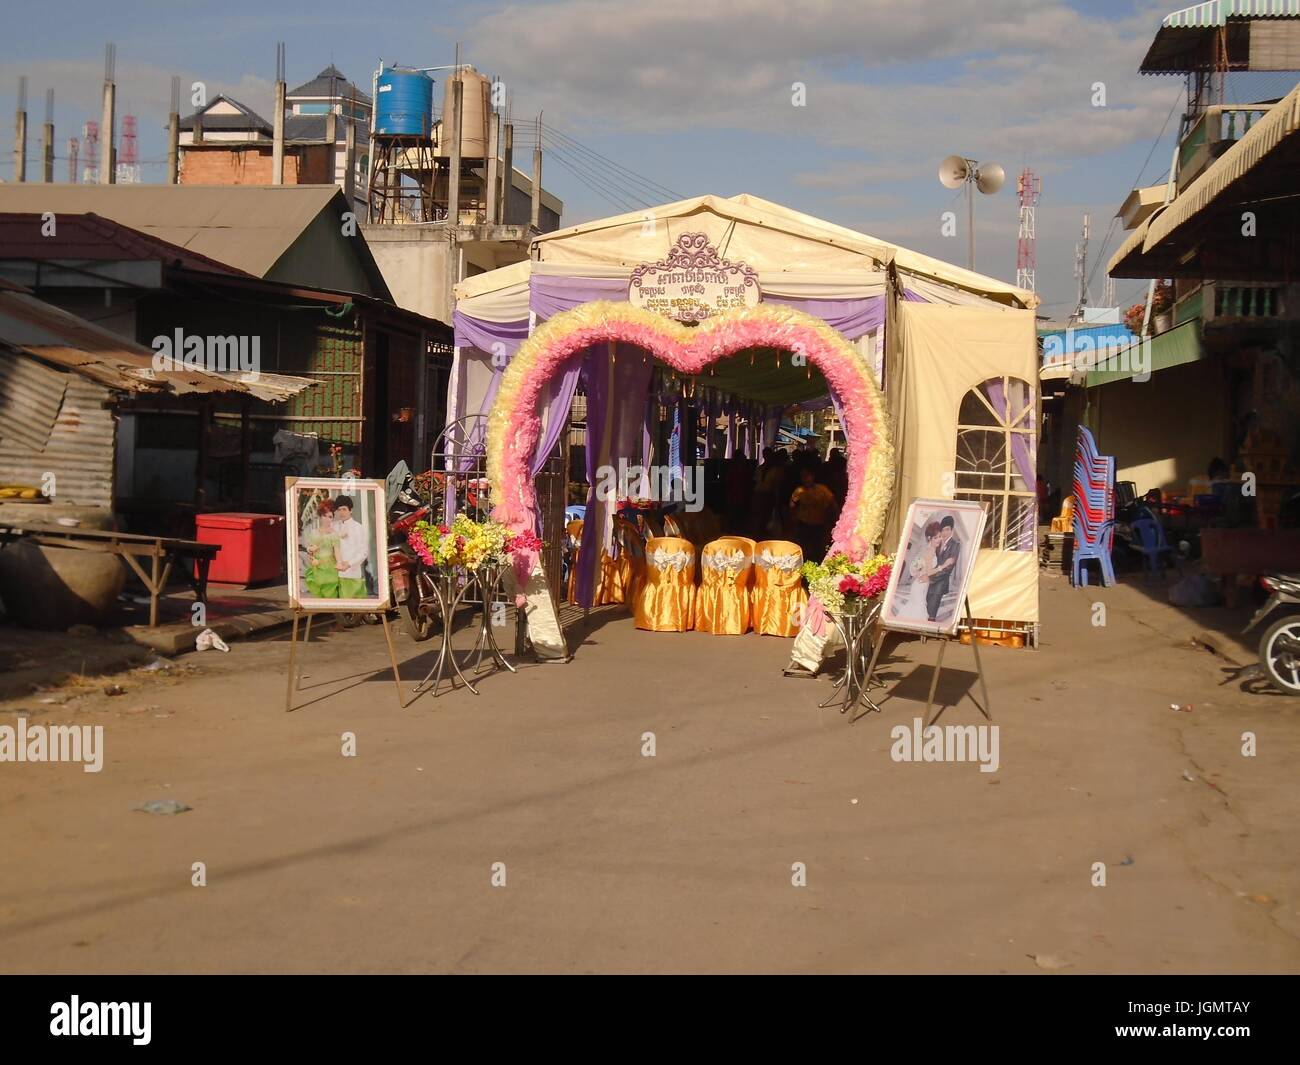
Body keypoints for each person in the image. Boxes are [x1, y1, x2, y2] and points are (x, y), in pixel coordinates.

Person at [789, 465, 836, 562]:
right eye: (803, 476)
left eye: (807, 476)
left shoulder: (822, 489)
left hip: (819, 524)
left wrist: (833, 520)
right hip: (803, 524)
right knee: (803, 548)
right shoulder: (799, 491)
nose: (805, 479)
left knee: (817, 548)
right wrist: (793, 520)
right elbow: (792, 506)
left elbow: (832, 504)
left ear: (812, 476)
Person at [922, 515, 961, 622]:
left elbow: (948, 567)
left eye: (947, 529)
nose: (944, 533)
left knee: (932, 609)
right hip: (928, 581)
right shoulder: (937, 542)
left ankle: (929, 628)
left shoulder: (955, 545)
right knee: (925, 605)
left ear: (952, 530)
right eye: (942, 530)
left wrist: (931, 578)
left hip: (940, 582)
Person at [303, 500, 341, 599]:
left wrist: (339, 563)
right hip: (316, 566)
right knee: (319, 589)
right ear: (320, 516)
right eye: (324, 516)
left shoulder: (334, 534)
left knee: (330, 588)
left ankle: (332, 610)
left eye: (330, 517)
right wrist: (311, 554)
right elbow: (310, 549)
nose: (327, 519)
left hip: (329, 566)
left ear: (333, 518)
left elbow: (337, 551)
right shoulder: (314, 532)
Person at [334, 494, 369, 600]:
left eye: (344, 509)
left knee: (356, 606)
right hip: (336, 574)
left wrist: (349, 564)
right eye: (339, 510)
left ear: (351, 510)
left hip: (352, 573)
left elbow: (363, 552)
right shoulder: (334, 526)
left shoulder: (358, 528)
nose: (341, 512)